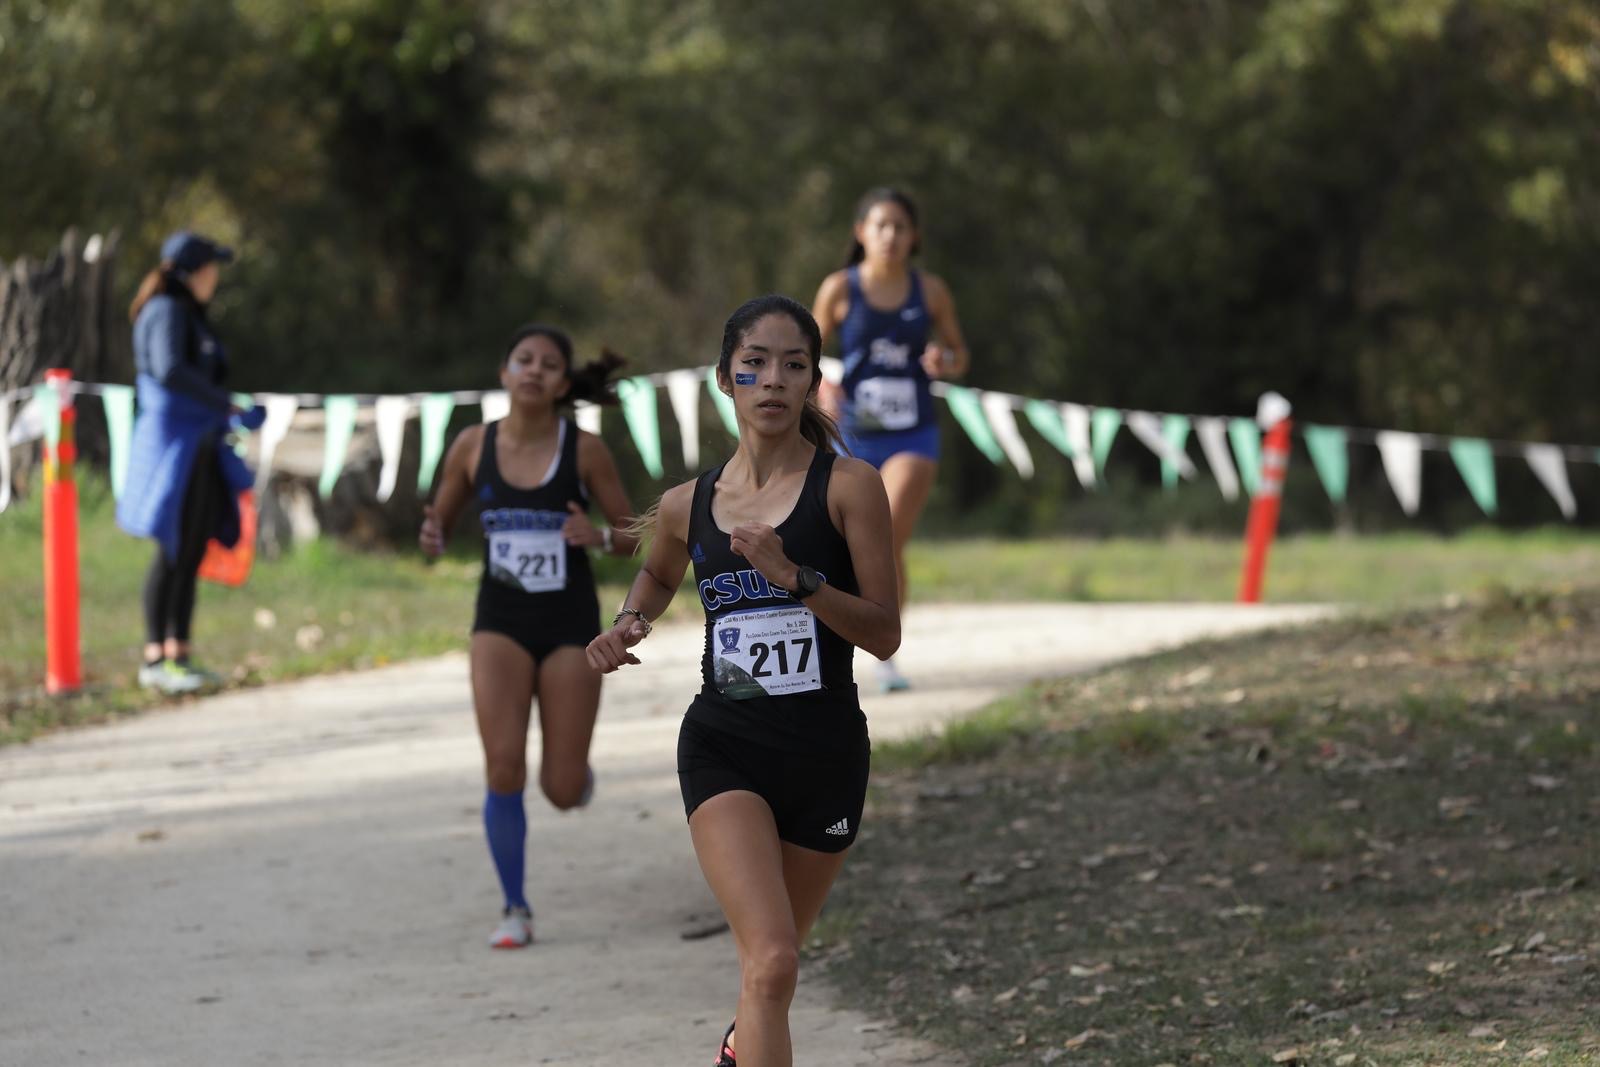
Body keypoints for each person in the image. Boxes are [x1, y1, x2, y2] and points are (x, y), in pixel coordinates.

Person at [587, 295, 900, 1067]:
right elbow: (659, 573)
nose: (773, 380)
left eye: (794, 366)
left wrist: (796, 579)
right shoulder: (689, 503)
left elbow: (885, 633)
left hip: (826, 753)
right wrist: (630, 620)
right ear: (726, 378)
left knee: (771, 977)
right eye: (755, 364)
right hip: (726, 745)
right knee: (772, 961)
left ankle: (738, 1050)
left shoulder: (849, 486)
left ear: (814, 383)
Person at [420, 324, 639, 949]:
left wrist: (594, 537)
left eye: (549, 364)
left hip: (569, 624)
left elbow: (633, 536)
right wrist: (432, 536)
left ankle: (579, 778)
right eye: (524, 360)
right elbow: (440, 519)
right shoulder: (471, 444)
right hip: (500, 623)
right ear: (505, 373)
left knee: (562, 791)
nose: (535, 371)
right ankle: (514, 906)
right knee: (503, 766)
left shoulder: (586, 450)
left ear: (563, 384)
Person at [811, 187, 970, 692]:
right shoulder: (840, 288)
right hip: (854, 434)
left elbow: (958, 354)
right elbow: (803, 357)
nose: (891, 236)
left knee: (888, 531)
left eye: (901, 227)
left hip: (913, 433)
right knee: (858, 542)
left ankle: (883, 652)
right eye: (881, 226)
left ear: (914, 237)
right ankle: (853, 639)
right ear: (862, 233)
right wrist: (823, 386)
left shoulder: (931, 292)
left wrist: (943, 361)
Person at [118, 231, 261, 695]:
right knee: (172, 546)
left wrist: (224, 411)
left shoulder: (192, 316)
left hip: (200, 443)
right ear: (192, 271)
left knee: (194, 544)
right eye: (211, 267)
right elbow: (169, 370)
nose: (216, 277)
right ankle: (155, 656)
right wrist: (228, 406)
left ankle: (180, 651)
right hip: (172, 444)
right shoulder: (166, 311)